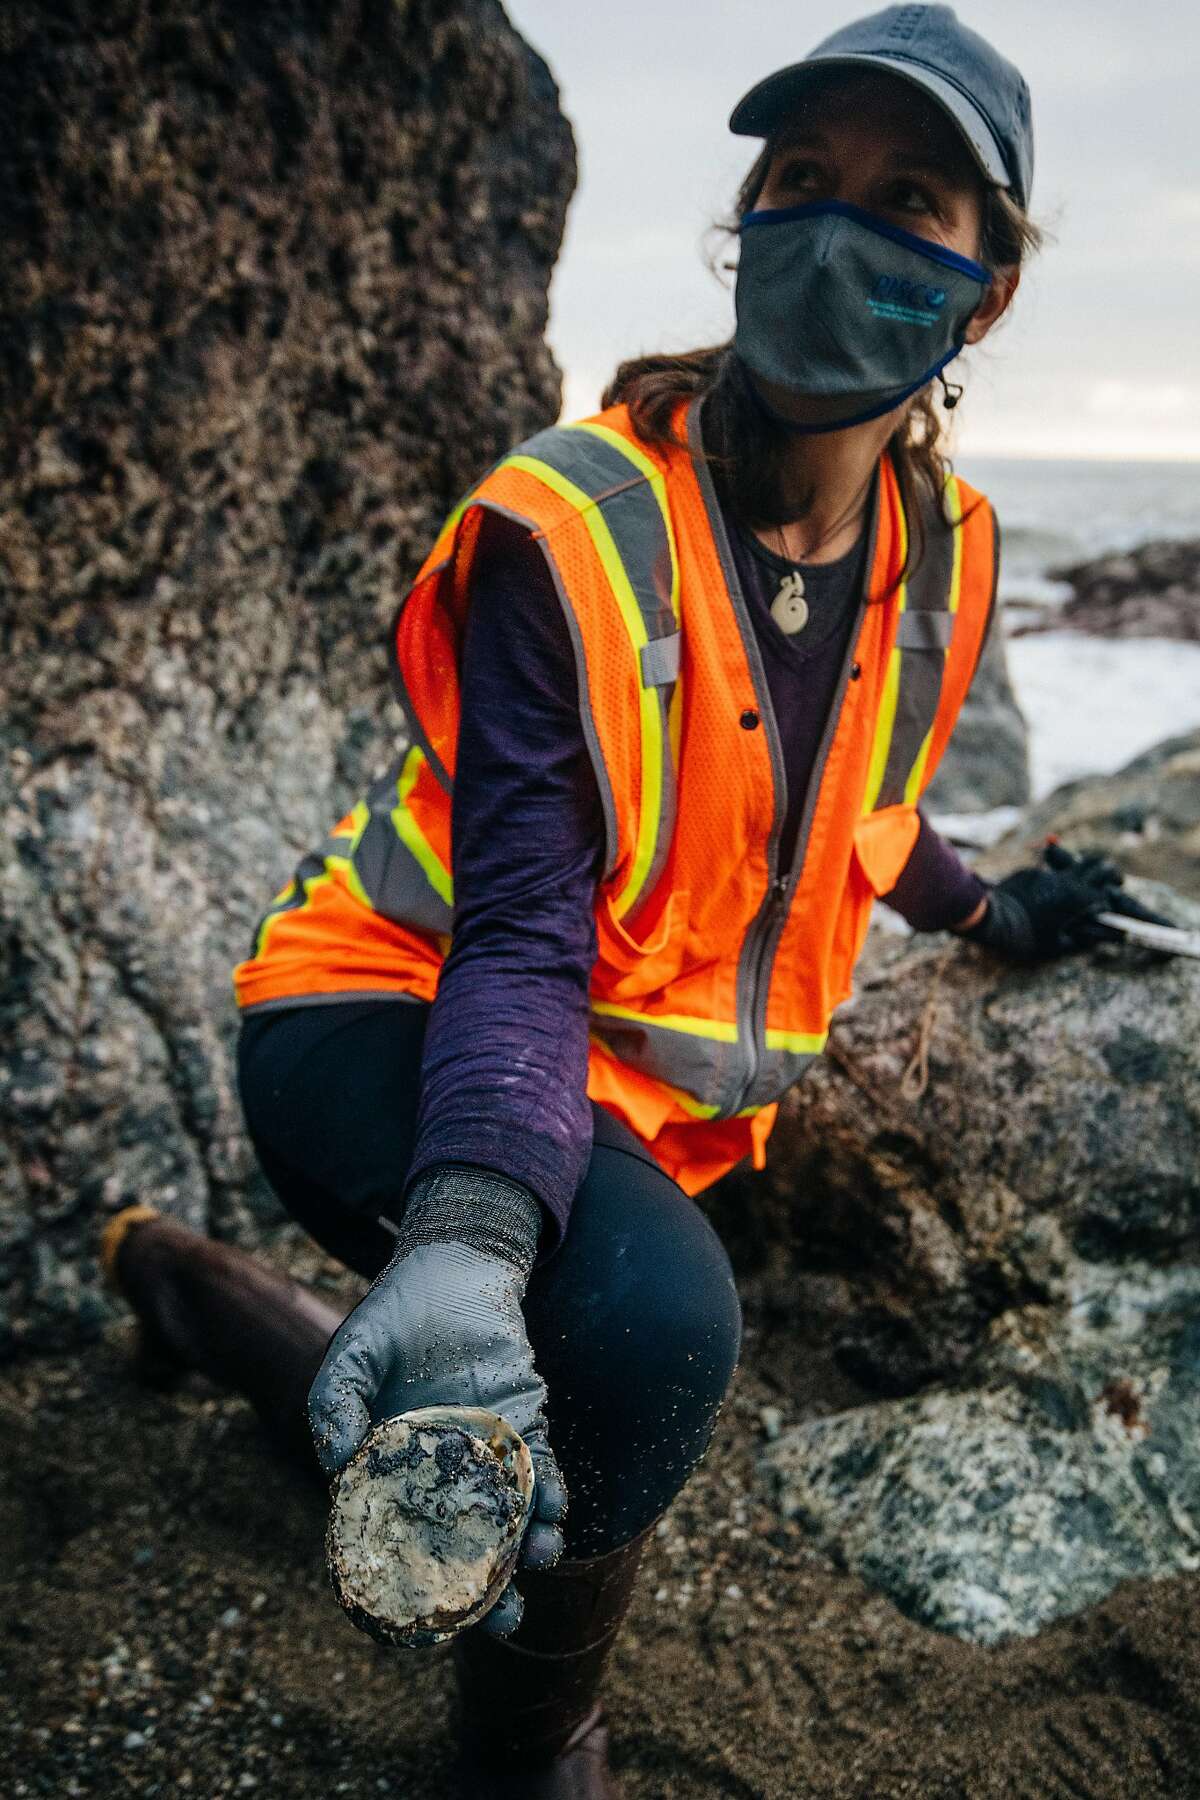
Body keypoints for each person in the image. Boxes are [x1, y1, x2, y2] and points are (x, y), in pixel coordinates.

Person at [100, 7, 1164, 1796]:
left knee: (503, 1394)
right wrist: (467, 1237)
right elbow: (520, 923)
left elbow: (853, 805)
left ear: (981, 299)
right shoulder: (569, 523)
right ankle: (529, 1750)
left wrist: (1002, 914)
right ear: (745, 224)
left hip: (598, 1090)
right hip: (390, 1012)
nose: (840, 228)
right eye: (803, 184)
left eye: (911, 199)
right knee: (649, 1326)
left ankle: (200, 1298)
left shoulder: (949, 551)